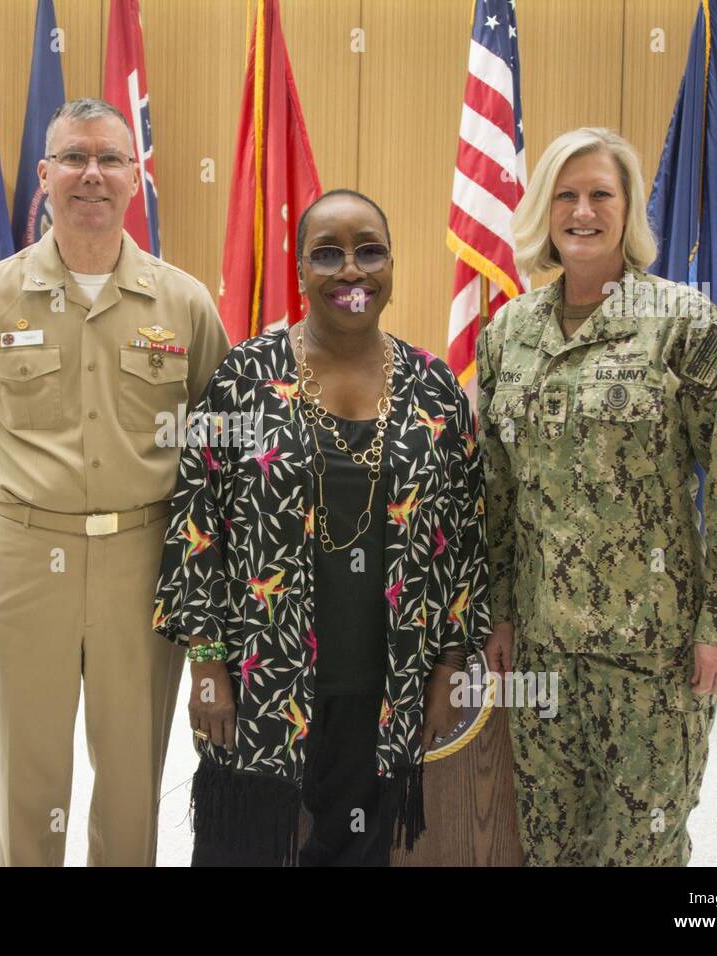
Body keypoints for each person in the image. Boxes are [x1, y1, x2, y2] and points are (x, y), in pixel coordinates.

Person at [0, 98, 230, 867]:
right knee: (29, 777)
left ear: (135, 176)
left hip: (144, 559)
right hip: (25, 554)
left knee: (131, 781)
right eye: (74, 157)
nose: (92, 173)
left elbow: (216, 438)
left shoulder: (183, 301)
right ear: (46, 176)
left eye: (111, 158)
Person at [477, 127, 717, 866]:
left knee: (640, 848)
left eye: (600, 194)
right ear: (545, 212)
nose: (582, 211)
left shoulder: (684, 325)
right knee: (549, 843)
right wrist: (501, 614)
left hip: (654, 655)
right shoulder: (508, 333)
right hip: (545, 653)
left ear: (629, 208)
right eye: (566, 196)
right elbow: (495, 489)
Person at [153, 189, 488, 866]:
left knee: (357, 852)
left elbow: (466, 537)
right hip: (259, 682)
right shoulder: (244, 378)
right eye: (327, 254)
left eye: (370, 251)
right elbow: (196, 523)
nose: (351, 271)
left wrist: (451, 666)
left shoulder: (434, 389)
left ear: (392, 264)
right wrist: (207, 663)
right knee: (239, 849)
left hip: (387, 687)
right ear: (299, 268)